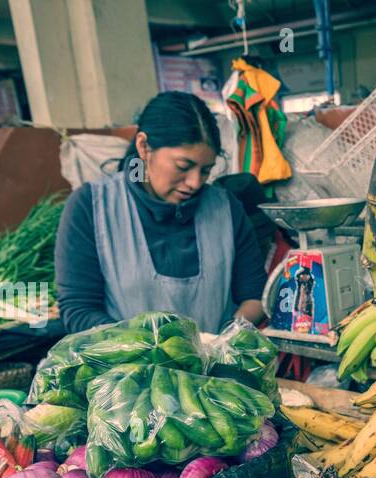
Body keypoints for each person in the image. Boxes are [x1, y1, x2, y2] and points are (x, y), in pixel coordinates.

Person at [55, 91, 268, 334]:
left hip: (213, 368)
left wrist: (225, 340)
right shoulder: (91, 207)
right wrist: (148, 348)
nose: (194, 182)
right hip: (127, 369)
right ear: (144, 146)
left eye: (206, 170)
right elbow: (78, 309)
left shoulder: (225, 208)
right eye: (183, 166)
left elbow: (254, 295)